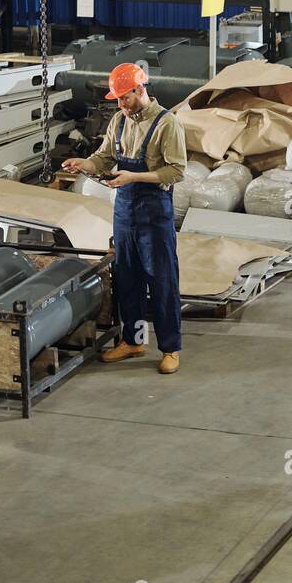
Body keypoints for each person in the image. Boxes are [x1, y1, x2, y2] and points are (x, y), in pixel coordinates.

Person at [62, 63, 187, 374]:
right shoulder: (119, 120)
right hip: (124, 212)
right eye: (116, 99)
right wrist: (84, 163)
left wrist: (135, 177)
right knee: (126, 279)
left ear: (140, 90)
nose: (120, 105)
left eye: (125, 98)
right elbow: (104, 157)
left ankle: (170, 348)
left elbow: (176, 171)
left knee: (162, 281)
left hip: (154, 212)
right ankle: (133, 340)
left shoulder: (166, 124)